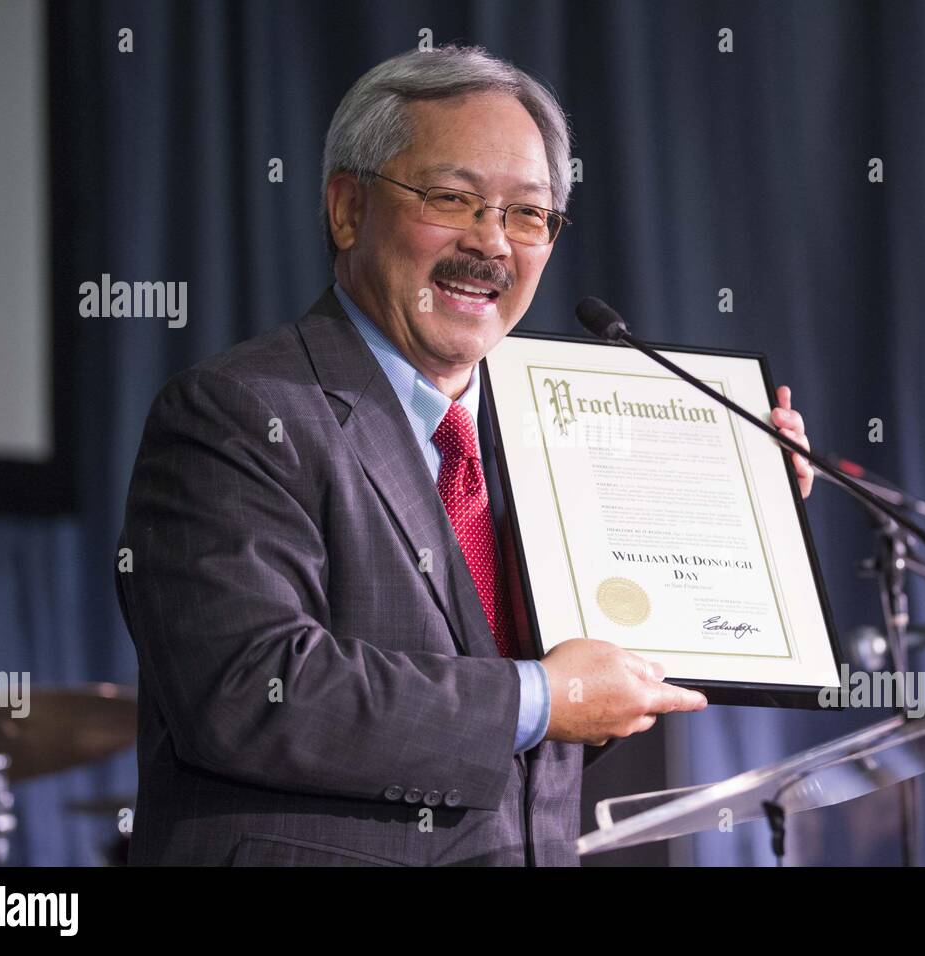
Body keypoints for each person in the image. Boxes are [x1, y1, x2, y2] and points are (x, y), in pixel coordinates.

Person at [116, 44, 814, 866]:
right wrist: (543, 696)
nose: (492, 244)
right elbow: (251, 692)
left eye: (527, 214)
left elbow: (557, 714)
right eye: (452, 198)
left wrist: (740, 524)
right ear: (347, 209)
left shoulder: (548, 441)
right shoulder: (240, 412)